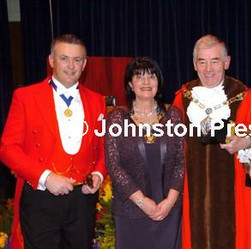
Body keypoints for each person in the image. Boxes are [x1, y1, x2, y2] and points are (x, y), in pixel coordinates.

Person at [0, 34, 107, 249]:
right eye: (64, 58)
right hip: (41, 197)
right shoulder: (26, 97)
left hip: (82, 200)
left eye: (77, 60)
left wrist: (97, 174)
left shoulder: (97, 101)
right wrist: (45, 177)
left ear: (84, 64)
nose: (70, 65)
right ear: (51, 60)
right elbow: (7, 149)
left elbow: (104, 148)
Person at [173, 34, 251, 249]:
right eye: (202, 61)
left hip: (234, 198)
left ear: (226, 62)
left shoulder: (243, 97)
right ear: (194, 64)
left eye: (215, 61)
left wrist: (247, 142)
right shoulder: (182, 98)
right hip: (193, 197)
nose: (208, 69)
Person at [105, 57, 184, 249]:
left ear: (159, 81)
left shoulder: (173, 116)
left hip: (169, 211)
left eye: (152, 76)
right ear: (130, 84)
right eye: (139, 77)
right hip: (131, 212)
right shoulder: (117, 118)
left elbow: (181, 162)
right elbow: (114, 166)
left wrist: (169, 202)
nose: (146, 82)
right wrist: (142, 201)